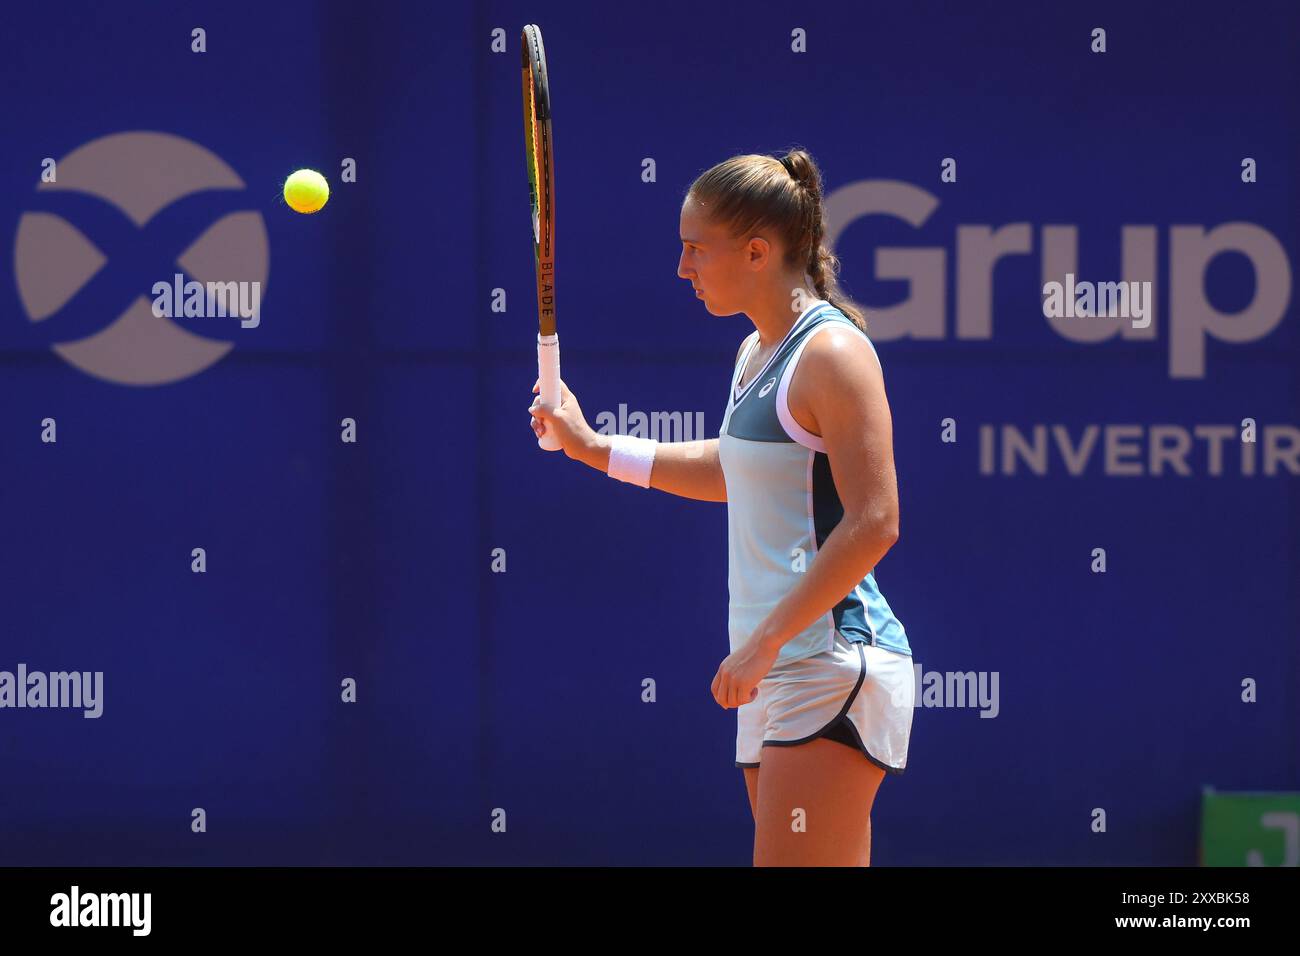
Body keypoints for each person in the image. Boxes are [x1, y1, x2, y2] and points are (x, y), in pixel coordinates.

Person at [528, 148, 914, 867]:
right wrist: (592, 447)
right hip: (780, 667)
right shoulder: (754, 353)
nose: (683, 269)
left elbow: (876, 521)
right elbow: (732, 469)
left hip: (829, 660)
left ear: (758, 252)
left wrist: (768, 640)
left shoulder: (833, 354)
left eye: (695, 250)